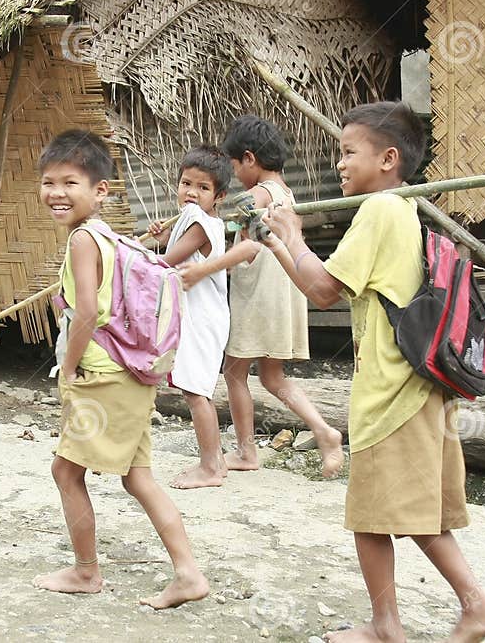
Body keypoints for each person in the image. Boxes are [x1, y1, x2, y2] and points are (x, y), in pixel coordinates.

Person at [263, 102, 485, 642]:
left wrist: (294, 235)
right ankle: (465, 610)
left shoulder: (378, 211)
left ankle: (395, 624)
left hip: (392, 393)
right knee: (412, 512)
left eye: (349, 152)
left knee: (372, 518)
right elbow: (321, 285)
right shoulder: (401, 212)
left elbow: (323, 290)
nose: (339, 164)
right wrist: (280, 240)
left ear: (389, 159)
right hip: (422, 389)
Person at [32, 129, 209, 609]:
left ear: (100, 190)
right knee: (138, 478)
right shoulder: (109, 237)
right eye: (49, 182)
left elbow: (87, 313)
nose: (57, 193)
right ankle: (187, 573)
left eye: (71, 182)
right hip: (130, 374)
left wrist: (67, 369)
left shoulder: (83, 241)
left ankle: (86, 572)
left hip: (102, 375)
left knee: (66, 473)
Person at [179, 115, 343, 482]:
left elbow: (250, 246)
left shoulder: (257, 196)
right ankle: (323, 429)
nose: (235, 174)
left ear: (249, 158)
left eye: (235, 165)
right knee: (272, 377)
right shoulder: (287, 192)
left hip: (261, 293)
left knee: (234, 372)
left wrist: (206, 269)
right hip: (285, 289)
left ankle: (246, 451)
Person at [148, 146, 232, 489]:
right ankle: (217, 461)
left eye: (203, 188)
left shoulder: (201, 222)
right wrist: (163, 237)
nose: (192, 193)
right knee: (194, 389)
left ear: (219, 195)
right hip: (196, 315)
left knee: (195, 391)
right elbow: (177, 247)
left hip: (203, 319)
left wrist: (123, 259)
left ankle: (210, 467)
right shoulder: (192, 218)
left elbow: (168, 262)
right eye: (186, 184)